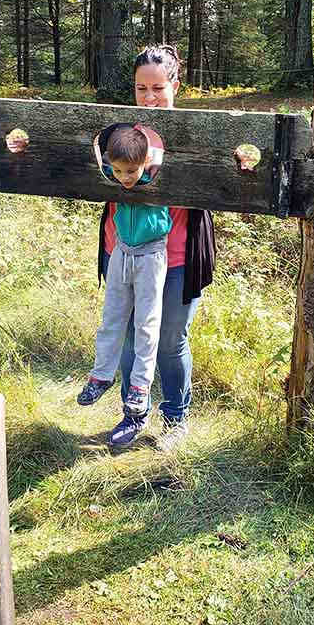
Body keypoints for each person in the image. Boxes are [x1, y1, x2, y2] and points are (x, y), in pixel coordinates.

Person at [78, 45, 216, 450]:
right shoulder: (121, 133)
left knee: (170, 340)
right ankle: (133, 414)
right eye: (141, 89)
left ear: (176, 85)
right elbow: (86, 164)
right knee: (127, 337)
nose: (149, 97)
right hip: (121, 250)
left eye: (158, 88)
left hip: (177, 257)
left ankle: (175, 419)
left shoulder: (197, 136)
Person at [82, 123, 172, 419]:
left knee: (146, 324)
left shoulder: (156, 173)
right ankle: (101, 375)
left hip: (151, 255)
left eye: (131, 171)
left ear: (145, 162)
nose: (125, 178)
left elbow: (167, 156)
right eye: (119, 171)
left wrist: (151, 156)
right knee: (111, 318)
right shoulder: (111, 174)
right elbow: (93, 152)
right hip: (121, 252)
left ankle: (140, 386)